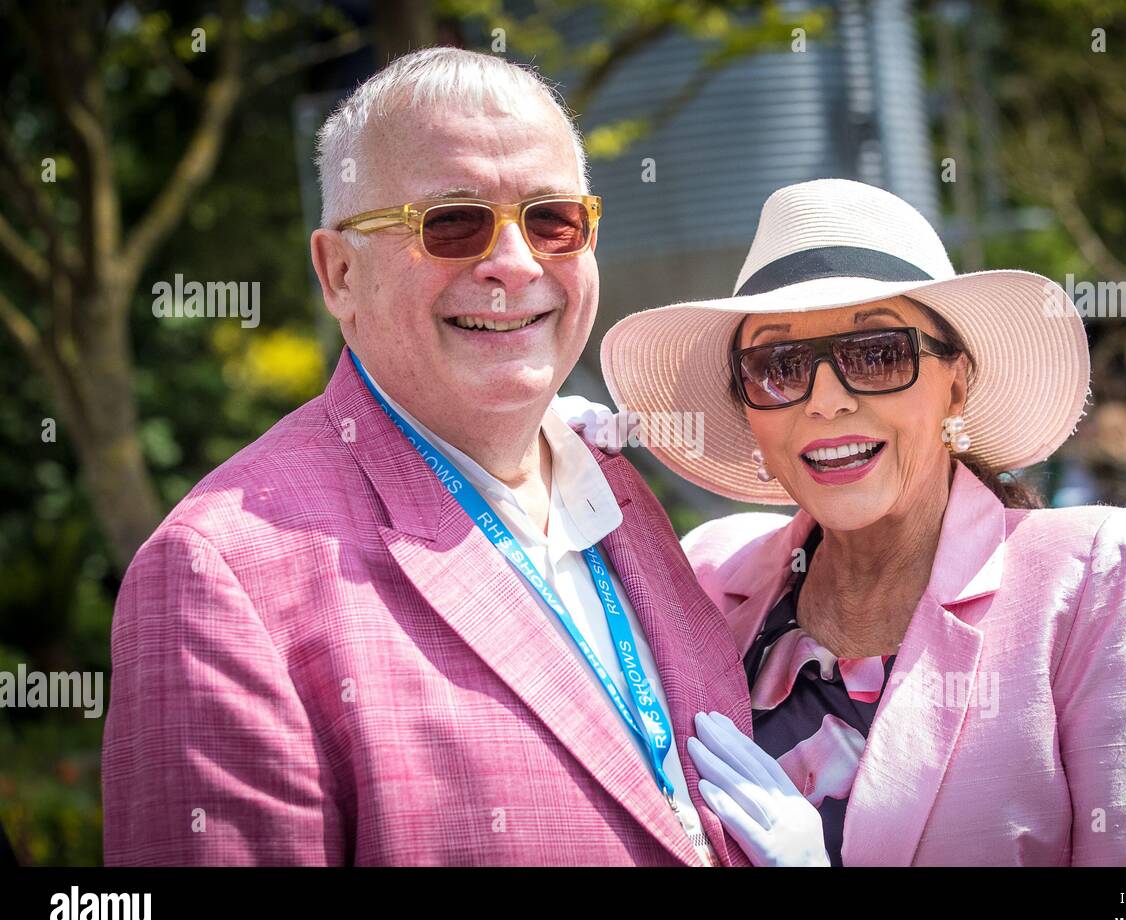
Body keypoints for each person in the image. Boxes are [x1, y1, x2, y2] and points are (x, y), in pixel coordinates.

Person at [100, 48, 753, 866]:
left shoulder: (618, 487)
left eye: (552, 219)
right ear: (338, 271)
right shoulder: (219, 575)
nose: (514, 264)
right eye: (453, 222)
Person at [587, 178, 1126, 865]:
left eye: (877, 353)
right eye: (778, 365)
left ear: (956, 382)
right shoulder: (707, 572)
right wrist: (543, 471)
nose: (825, 401)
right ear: (747, 408)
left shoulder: (1088, 569)